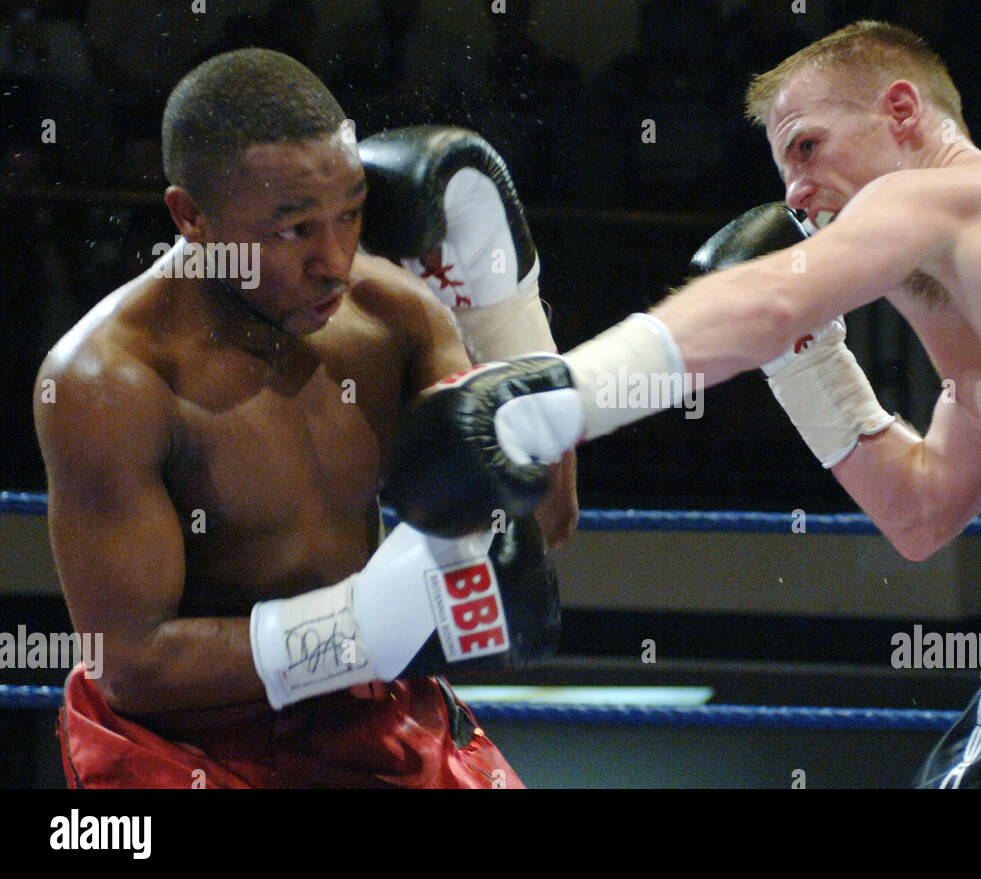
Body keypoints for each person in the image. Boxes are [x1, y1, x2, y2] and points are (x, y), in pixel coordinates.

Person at [415, 21, 981, 788]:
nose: (795, 193)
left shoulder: (938, 193)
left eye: (807, 146)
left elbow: (765, 303)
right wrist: (807, 361)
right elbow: (919, 512)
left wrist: (552, 399)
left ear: (903, 112)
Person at [33, 48, 577, 789]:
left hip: (371, 711)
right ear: (190, 217)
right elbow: (132, 666)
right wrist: (362, 628)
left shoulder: (391, 316)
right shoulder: (112, 380)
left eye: (351, 214)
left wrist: (504, 314)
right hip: (185, 745)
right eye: (293, 231)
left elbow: (545, 518)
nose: (336, 261)